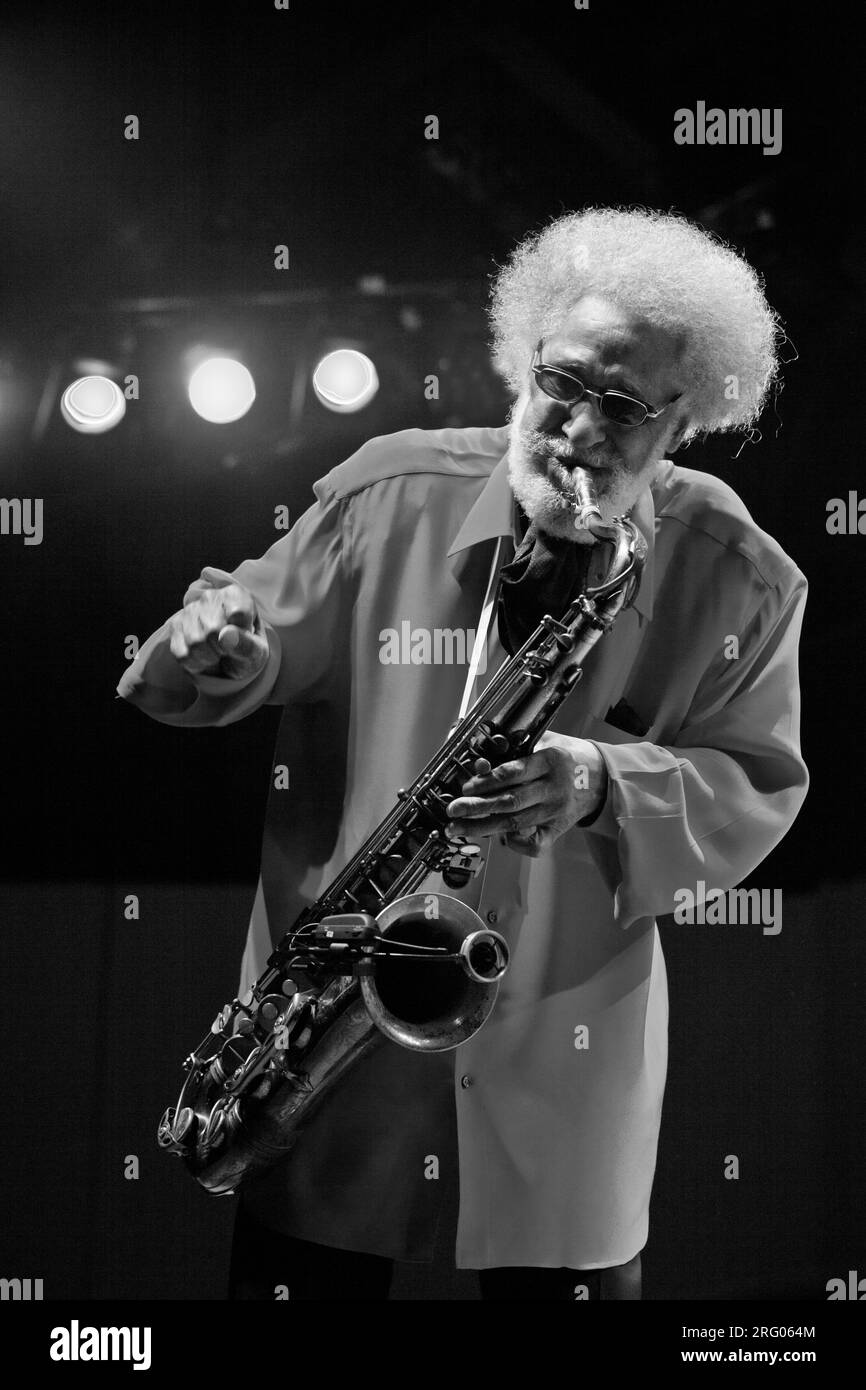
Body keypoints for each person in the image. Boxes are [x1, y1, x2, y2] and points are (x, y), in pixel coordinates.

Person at [117, 206, 808, 1301]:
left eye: (623, 409)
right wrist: (218, 644)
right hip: (330, 1032)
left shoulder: (737, 569)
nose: (578, 429)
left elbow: (756, 784)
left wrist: (596, 779)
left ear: (683, 424)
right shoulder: (390, 486)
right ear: (519, 357)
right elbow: (230, 648)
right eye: (562, 381)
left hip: (558, 1044)